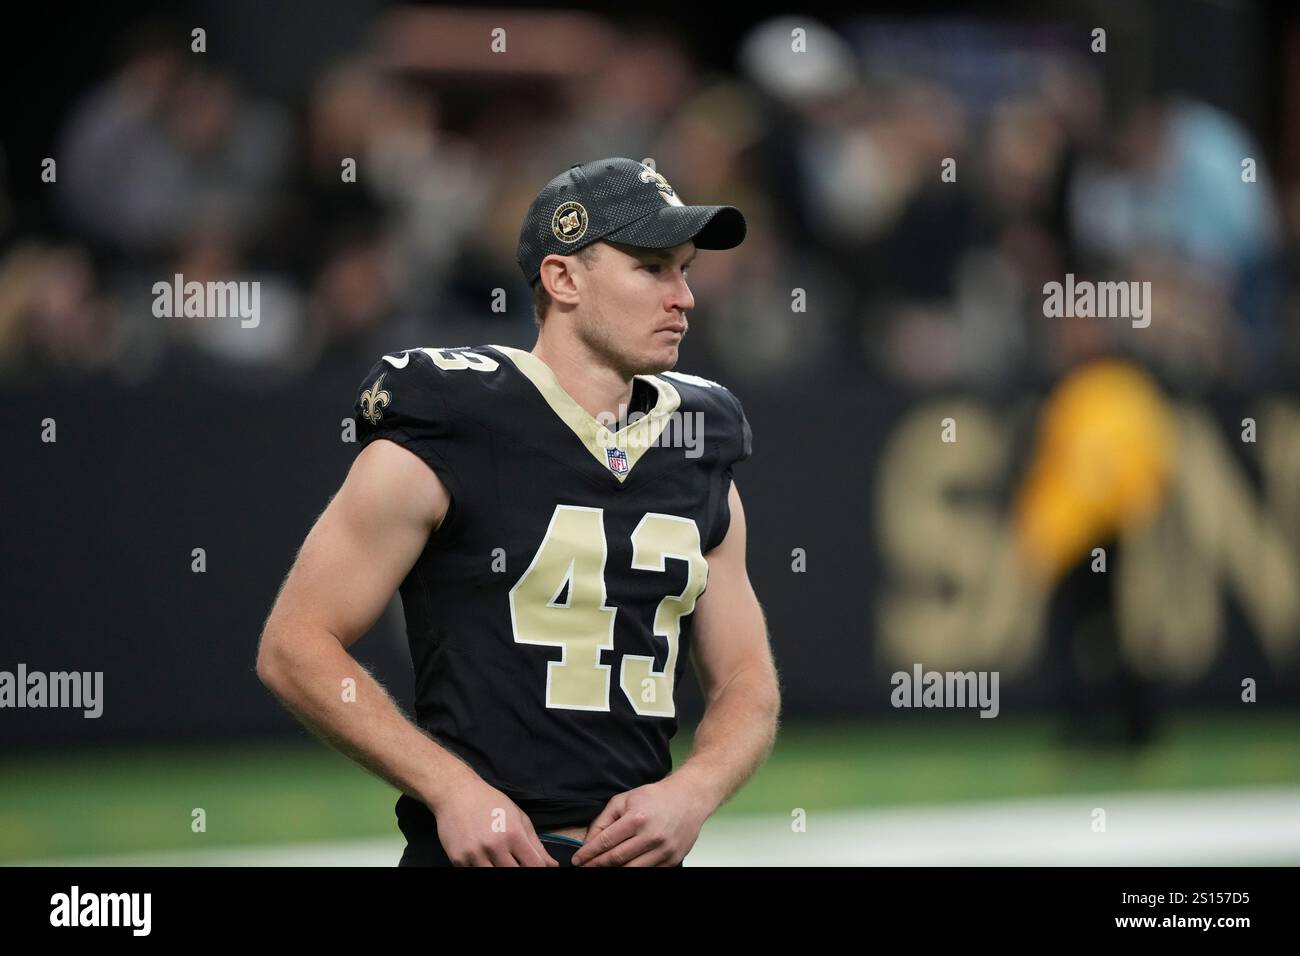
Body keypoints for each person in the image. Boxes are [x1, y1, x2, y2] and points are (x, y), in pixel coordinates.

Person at [256, 157, 781, 866]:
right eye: (653, 268)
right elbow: (295, 644)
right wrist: (451, 789)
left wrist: (692, 791)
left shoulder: (699, 442)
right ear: (563, 279)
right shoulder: (453, 422)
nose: (683, 296)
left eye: (684, 269)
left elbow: (746, 679)